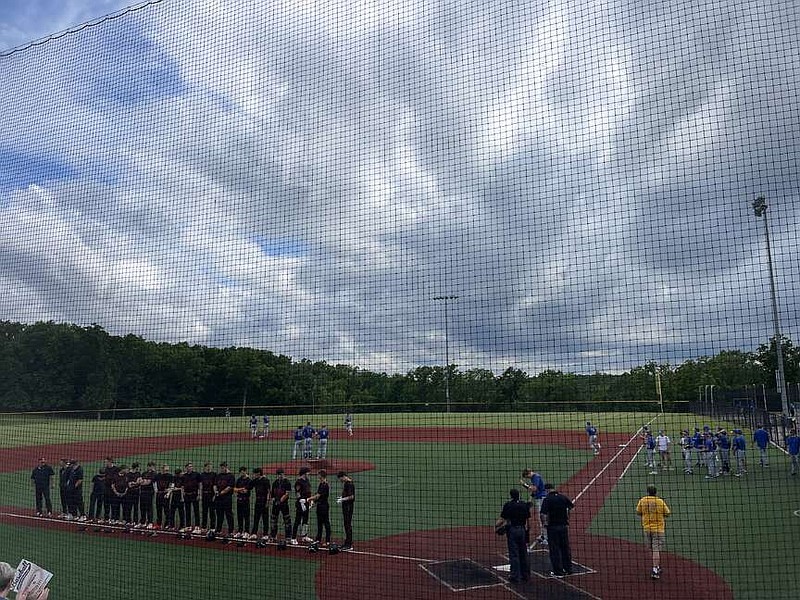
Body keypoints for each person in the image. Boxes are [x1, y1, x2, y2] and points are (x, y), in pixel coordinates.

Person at [636, 485, 671, 580]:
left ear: (647, 492)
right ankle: (655, 569)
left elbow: (638, 512)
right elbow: (667, 513)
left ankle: (656, 566)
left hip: (647, 529)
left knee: (652, 548)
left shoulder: (643, 500)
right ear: (655, 492)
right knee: (656, 549)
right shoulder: (660, 501)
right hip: (658, 529)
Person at [539, 483, 574, 578]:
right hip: (563, 526)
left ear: (547, 490)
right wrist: (567, 518)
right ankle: (568, 568)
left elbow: (542, 514)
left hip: (553, 527)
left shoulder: (547, 499)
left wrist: (544, 524)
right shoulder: (563, 497)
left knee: (554, 549)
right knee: (565, 548)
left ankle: (558, 571)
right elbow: (570, 507)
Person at [498, 488, 530, 584]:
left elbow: (502, 519)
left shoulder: (508, 505)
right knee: (523, 552)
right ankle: (525, 575)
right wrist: (527, 532)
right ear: (519, 495)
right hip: (522, 530)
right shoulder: (524, 504)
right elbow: (528, 520)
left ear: (511, 495)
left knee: (514, 553)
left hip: (512, 531)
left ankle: (515, 576)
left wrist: (496, 526)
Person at [520, 468, 547, 548]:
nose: (527, 478)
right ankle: (543, 536)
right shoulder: (534, 477)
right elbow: (535, 490)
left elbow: (534, 488)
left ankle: (546, 538)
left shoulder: (535, 477)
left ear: (528, 473)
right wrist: (531, 497)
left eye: (526, 476)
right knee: (541, 518)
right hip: (539, 498)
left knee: (542, 518)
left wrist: (524, 485)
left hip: (541, 499)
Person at [269, 468, 292, 542]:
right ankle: (273, 536)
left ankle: (288, 537)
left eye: (281, 474)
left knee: (287, 521)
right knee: (273, 520)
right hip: (275, 504)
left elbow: (287, 494)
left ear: (283, 474)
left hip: (284, 504)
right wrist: (274, 500)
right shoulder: (275, 483)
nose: (280, 476)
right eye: (279, 475)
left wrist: (280, 501)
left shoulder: (287, 482)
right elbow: (272, 494)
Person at [310, 470, 331, 546]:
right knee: (319, 523)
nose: (317, 476)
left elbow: (318, 496)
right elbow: (318, 496)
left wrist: (309, 499)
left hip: (324, 506)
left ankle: (328, 541)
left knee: (326, 523)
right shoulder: (321, 484)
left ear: (321, 476)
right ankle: (318, 539)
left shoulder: (325, 485)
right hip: (320, 506)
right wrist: (314, 502)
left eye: (318, 475)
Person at [292, 467, 313, 544]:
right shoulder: (298, 482)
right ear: (304, 473)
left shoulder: (307, 480)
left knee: (305, 520)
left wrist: (310, 500)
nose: (309, 474)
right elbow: (297, 493)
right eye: (308, 473)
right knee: (297, 520)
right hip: (300, 503)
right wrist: (301, 502)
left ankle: (304, 536)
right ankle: (293, 537)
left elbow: (309, 491)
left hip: (307, 502)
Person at [214, 462, 235, 537]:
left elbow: (229, 487)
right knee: (219, 515)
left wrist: (221, 492)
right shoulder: (219, 475)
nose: (222, 469)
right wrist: (216, 491)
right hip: (219, 498)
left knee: (229, 515)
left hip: (227, 498)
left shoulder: (231, 476)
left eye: (223, 468)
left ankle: (231, 531)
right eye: (221, 468)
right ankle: (218, 530)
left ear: (226, 467)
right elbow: (215, 484)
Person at [336, 471, 355, 550]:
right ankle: (347, 542)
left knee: (347, 524)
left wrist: (342, 499)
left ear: (343, 476)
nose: (340, 480)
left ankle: (349, 544)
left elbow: (351, 496)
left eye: (340, 478)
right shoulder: (347, 483)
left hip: (348, 506)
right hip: (346, 506)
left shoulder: (349, 484)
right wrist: (342, 497)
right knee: (346, 524)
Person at [250, 467, 271, 539]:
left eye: (255, 474)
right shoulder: (255, 480)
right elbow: (249, 486)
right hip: (258, 501)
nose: (254, 475)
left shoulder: (266, 480)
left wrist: (267, 502)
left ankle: (265, 534)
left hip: (264, 501)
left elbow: (268, 492)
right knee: (256, 518)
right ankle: (254, 533)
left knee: (265, 518)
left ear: (258, 473)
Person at [234, 467, 252, 537]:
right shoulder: (239, 479)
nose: (242, 473)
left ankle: (246, 532)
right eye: (241, 472)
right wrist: (241, 489)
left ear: (245, 471)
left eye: (243, 472)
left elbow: (246, 491)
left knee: (246, 517)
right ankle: (240, 531)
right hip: (239, 500)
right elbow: (234, 489)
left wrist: (239, 490)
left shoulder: (249, 480)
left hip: (246, 501)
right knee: (239, 516)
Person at [182, 462, 202, 528]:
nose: (190, 468)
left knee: (196, 510)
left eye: (191, 466)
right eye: (189, 467)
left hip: (194, 494)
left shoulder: (196, 474)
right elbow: (182, 486)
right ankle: (188, 525)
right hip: (187, 495)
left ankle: (197, 525)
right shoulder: (184, 476)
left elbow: (200, 485)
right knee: (187, 511)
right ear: (186, 468)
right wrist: (183, 495)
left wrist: (199, 494)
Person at [199, 462, 217, 530]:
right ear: (205, 467)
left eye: (210, 466)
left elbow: (215, 485)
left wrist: (215, 495)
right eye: (208, 466)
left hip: (211, 495)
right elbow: (201, 485)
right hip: (204, 495)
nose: (209, 467)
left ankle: (212, 527)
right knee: (204, 511)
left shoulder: (214, 474)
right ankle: (204, 527)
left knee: (212, 512)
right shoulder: (202, 475)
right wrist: (200, 495)